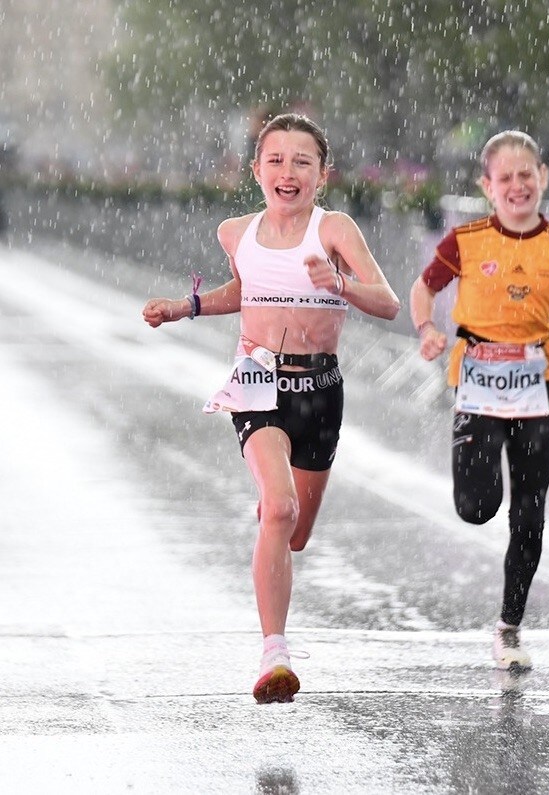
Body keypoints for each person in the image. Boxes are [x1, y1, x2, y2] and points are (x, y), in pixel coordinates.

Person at [142, 113, 400, 703]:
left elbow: (385, 303)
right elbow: (244, 290)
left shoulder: (334, 229)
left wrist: (339, 284)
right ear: (256, 169)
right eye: (276, 161)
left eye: (302, 162)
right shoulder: (236, 231)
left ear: (322, 174)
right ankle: (273, 654)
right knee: (279, 510)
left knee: (295, 533)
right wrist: (184, 308)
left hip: (321, 390)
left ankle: (275, 517)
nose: (288, 172)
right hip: (258, 380)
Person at [409, 130, 549, 671]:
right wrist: (426, 328)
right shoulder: (466, 239)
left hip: (534, 390)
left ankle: (509, 628)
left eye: (527, 175)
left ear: (543, 177)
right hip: (477, 387)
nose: (518, 186)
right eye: (506, 178)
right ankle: (482, 486)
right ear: (488, 186)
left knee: (530, 515)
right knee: (477, 508)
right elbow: (424, 287)